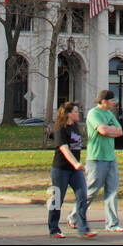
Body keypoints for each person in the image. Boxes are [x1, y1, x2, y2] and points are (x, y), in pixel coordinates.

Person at [68, 90, 123, 233]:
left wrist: (110, 130)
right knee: (91, 190)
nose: (115, 103)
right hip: (96, 158)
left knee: (112, 191)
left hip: (111, 158)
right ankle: (74, 216)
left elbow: (120, 131)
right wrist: (110, 130)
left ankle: (112, 224)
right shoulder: (94, 114)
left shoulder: (110, 115)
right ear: (104, 101)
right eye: (112, 100)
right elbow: (102, 131)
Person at [48, 102, 94, 238]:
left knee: (82, 196)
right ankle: (54, 229)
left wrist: (77, 166)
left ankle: (83, 229)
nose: (78, 113)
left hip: (75, 170)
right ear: (68, 114)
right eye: (75, 111)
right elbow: (64, 148)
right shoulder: (60, 130)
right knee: (58, 199)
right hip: (61, 169)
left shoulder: (75, 127)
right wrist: (76, 164)